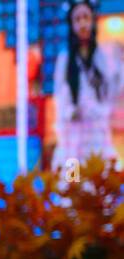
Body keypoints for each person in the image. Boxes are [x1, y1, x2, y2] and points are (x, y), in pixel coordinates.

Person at [52, 0, 121, 170]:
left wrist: (101, 111)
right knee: (71, 183)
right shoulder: (64, 60)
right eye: (77, 19)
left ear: (92, 21)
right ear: (71, 24)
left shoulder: (104, 57)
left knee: (100, 181)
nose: (82, 24)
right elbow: (60, 99)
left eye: (86, 17)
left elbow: (113, 93)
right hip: (73, 137)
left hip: (98, 134)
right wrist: (71, 113)